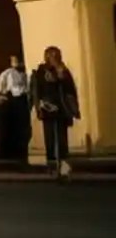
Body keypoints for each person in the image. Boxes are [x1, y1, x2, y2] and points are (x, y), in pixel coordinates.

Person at [30, 46, 81, 179]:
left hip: (62, 109)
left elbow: (70, 90)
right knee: (50, 139)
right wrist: (39, 106)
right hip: (48, 110)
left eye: (57, 55)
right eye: (51, 55)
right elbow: (36, 92)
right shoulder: (40, 72)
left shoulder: (63, 70)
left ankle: (64, 168)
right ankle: (52, 167)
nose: (54, 58)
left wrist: (74, 109)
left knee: (62, 139)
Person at [0, 55, 31, 159]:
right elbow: (1, 86)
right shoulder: (7, 73)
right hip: (13, 100)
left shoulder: (26, 73)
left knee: (24, 127)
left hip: (23, 100)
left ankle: (23, 150)